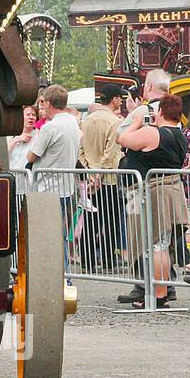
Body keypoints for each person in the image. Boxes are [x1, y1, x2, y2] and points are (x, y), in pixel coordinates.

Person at [117, 93, 190, 309]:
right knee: (162, 244)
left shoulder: (153, 133)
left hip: (154, 191)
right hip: (168, 190)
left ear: (160, 112)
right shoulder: (179, 134)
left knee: (156, 244)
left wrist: (137, 121)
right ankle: (160, 292)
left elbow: (123, 138)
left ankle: (158, 295)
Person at [79, 86, 124, 270]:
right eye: (120, 98)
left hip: (91, 178)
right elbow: (111, 152)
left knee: (91, 221)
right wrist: (99, 172)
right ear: (114, 100)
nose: (120, 101)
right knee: (111, 221)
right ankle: (107, 258)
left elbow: (80, 149)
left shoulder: (86, 121)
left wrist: (89, 171)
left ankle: (87, 260)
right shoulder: (115, 122)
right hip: (108, 179)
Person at [25, 84, 81, 206]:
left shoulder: (50, 127)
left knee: (44, 225)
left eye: (43, 101)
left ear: (48, 103)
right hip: (66, 188)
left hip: (47, 188)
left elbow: (31, 157)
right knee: (60, 224)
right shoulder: (73, 122)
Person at [7, 105, 36, 189]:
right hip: (12, 178)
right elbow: (3, 154)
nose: (31, 117)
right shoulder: (10, 135)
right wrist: (16, 139)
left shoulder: (39, 136)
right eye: (28, 114)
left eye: (33, 115)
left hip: (28, 182)